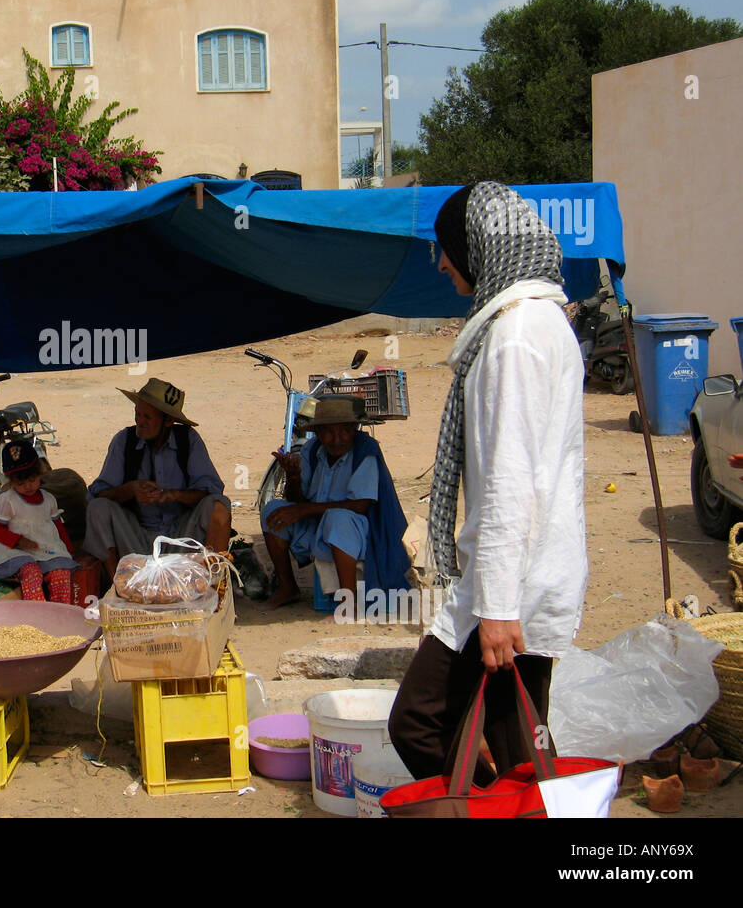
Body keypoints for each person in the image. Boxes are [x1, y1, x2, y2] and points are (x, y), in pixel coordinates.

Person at [388, 181, 587, 784]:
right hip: (522, 578)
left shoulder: (516, 337)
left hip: (509, 594)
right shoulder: (534, 322)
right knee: (516, 756)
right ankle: (487, 797)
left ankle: (480, 800)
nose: (443, 261)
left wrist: (497, 608)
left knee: (419, 722)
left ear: (479, 248)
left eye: (448, 247)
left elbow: (508, 481)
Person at [261, 395, 410, 612]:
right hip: (320, 525)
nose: (337, 439)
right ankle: (288, 587)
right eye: (329, 432)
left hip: (361, 535)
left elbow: (361, 506)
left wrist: (305, 509)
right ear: (319, 432)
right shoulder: (312, 449)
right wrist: (293, 477)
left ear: (354, 429)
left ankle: (348, 604)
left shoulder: (365, 451)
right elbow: (297, 500)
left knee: (338, 518)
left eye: (345, 431)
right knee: (273, 511)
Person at [84, 378, 231, 581]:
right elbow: (98, 492)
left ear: (168, 421)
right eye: (137, 414)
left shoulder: (188, 440)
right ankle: (116, 584)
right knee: (98, 508)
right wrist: (130, 490)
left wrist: (172, 495)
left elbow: (211, 489)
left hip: (182, 537)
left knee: (219, 507)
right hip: (136, 538)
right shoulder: (124, 441)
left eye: (147, 417)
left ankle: (213, 585)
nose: (139, 422)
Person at [0, 440, 79, 603]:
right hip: (14, 552)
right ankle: (36, 613)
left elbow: (58, 527)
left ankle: (59, 612)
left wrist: (69, 551)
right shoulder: (7, 501)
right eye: (20, 483)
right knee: (32, 573)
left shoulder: (49, 500)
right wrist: (19, 541)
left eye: (32, 480)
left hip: (43, 548)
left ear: (40, 474)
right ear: (10, 481)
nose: (28, 486)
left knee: (61, 573)